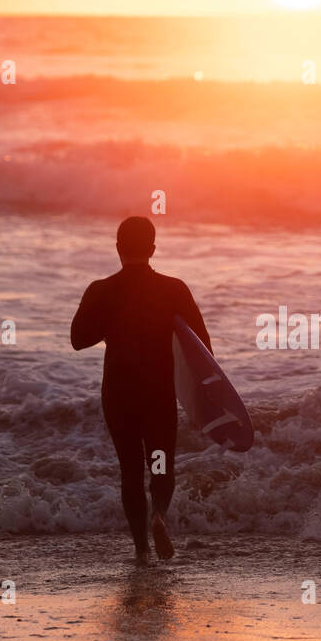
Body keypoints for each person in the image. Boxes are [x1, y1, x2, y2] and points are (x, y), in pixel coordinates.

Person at [71, 217, 211, 566]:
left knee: (130, 470)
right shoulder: (173, 289)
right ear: (152, 249)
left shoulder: (101, 290)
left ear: (118, 248)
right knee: (161, 463)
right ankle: (159, 515)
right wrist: (204, 396)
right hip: (157, 391)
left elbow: (78, 340)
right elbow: (203, 349)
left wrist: (111, 319)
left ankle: (141, 550)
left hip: (119, 393)